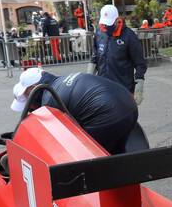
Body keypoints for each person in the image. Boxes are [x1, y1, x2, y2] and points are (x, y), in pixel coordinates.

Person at [11, 66, 139, 154]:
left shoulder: (49, 101)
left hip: (107, 115)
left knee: (83, 155)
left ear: (33, 88)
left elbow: (58, 142)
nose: (30, 107)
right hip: (129, 107)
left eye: (27, 96)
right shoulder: (61, 82)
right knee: (116, 154)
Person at [92, 3, 147, 107]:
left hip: (123, 90)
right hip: (103, 88)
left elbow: (140, 64)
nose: (105, 27)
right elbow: (94, 57)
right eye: (104, 24)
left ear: (118, 20)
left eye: (108, 25)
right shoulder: (99, 33)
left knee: (124, 120)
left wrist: (139, 88)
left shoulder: (129, 36)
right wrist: (89, 78)